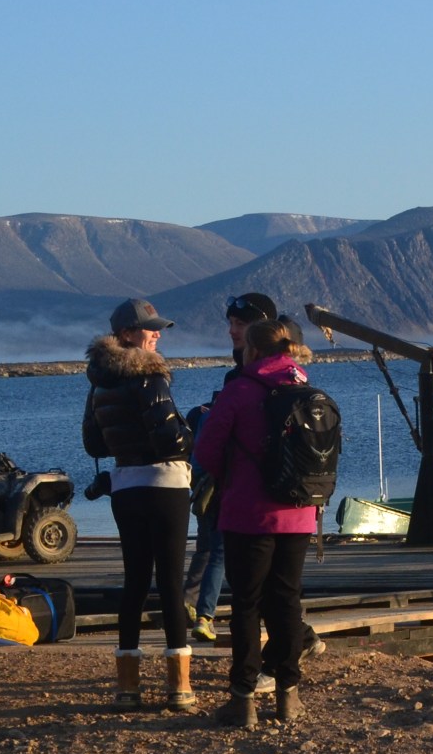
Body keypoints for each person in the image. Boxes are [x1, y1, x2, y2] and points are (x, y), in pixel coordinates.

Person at [196, 315, 320, 728]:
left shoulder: (240, 390)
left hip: (248, 514)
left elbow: (207, 451)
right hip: (299, 513)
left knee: (247, 605)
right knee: (287, 602)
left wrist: (231, 479)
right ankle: (289, 695)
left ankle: (243, 697)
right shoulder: (304, 387)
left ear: (252, 350)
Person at [80, 297, 194, 712]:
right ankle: (179, 687)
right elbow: (170, 440)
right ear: (127, 334)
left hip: (125, 487)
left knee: (135, 582)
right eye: (151, 328)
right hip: (165, 485)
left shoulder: (99, 381)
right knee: (171, 583)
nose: (157, 334)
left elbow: (93, 443)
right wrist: (193, 431)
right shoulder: (150, 375)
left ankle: (127, 685)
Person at [182, 293, 276, 642]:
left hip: (260, 491)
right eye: (231, 323)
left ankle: (290, 635)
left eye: (241, 324)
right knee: (233, 560)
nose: (232, 331)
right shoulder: (235, 377)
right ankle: (289, 636)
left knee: (235, 558)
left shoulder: (266, 379)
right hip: (237, 488)